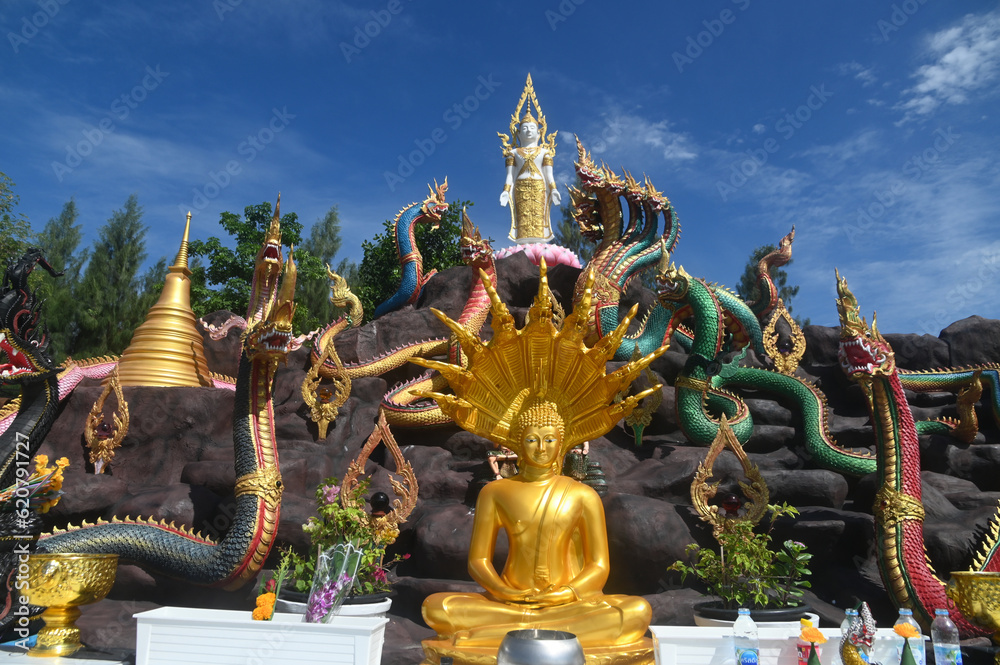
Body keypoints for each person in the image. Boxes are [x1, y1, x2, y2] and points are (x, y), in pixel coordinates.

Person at [422, 402, 650, 649]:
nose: (541, 448)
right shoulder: (495, 492)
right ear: (519, 443)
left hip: (568, 603)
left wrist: (566, 593)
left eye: (550, 440)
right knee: (436, 607)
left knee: (636, 610)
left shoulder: (583, 495)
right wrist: (503, 592)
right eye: (532, 440)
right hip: (509, 602)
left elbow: (599, 566)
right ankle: (549, 629)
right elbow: (478, 561)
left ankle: (498, 634)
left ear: (561, 443)